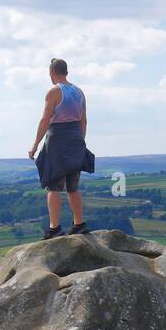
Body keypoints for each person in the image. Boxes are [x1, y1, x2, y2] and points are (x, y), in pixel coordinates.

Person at [28, 58, 94, 239]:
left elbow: (45, 119)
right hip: (76, 139)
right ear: (66, 71)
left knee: (54, 185)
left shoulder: (54, 91)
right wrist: (80, 142)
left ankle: (54, 228)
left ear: (52, 72)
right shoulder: (79, 92)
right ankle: (79, 224)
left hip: (57, 139)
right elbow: (84, 121)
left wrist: (35, 145)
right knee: (73, 187)